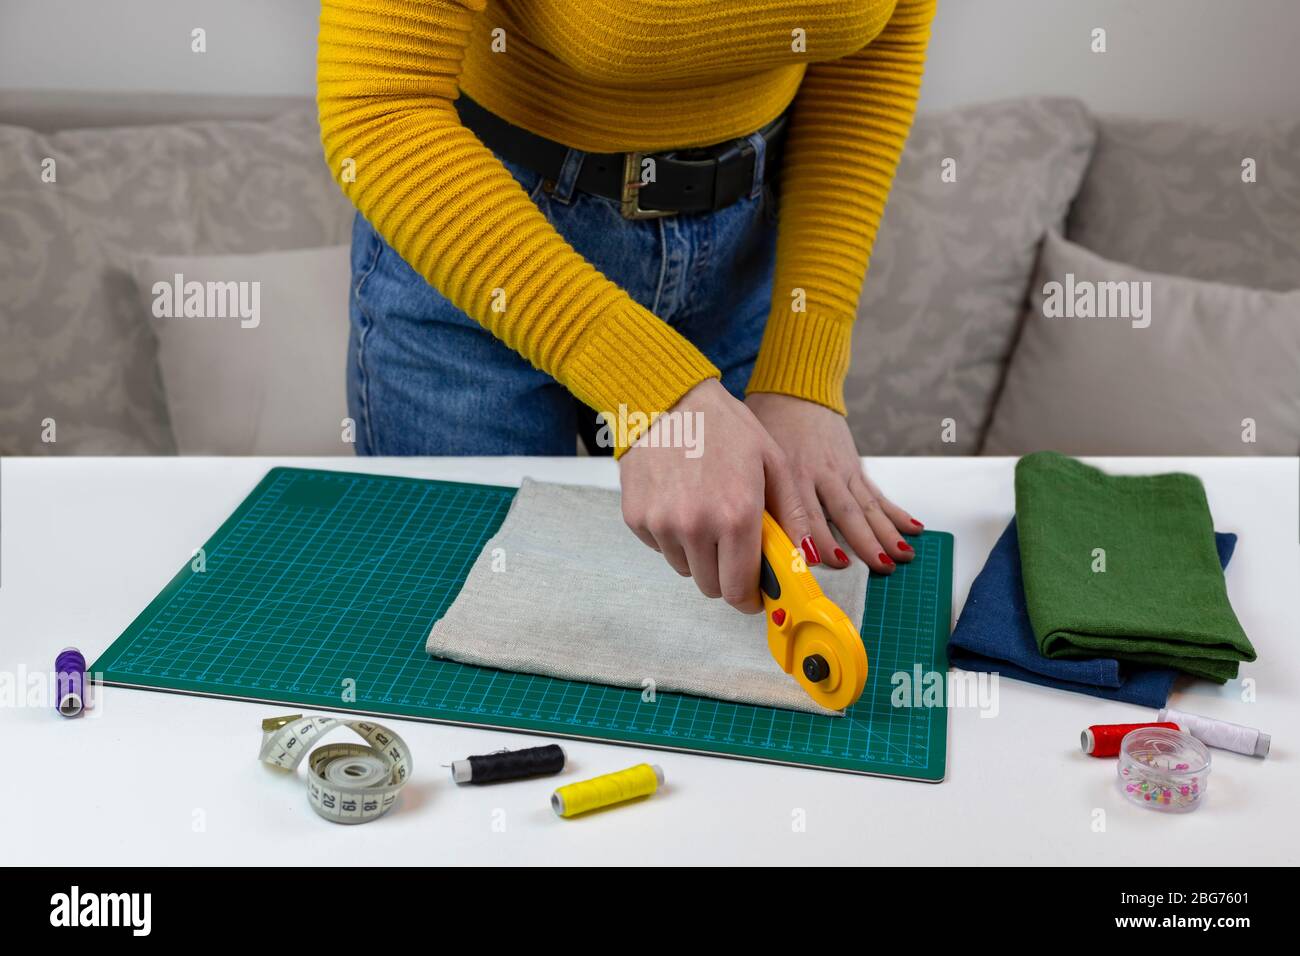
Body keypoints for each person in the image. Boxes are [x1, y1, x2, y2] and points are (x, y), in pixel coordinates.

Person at [318, 0, 937, 614]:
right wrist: (648, 384)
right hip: (480, 243)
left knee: (736, 633)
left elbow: (872, 58)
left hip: (745, 262)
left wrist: (802, 370)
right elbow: (377, 106)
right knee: (453, 620)